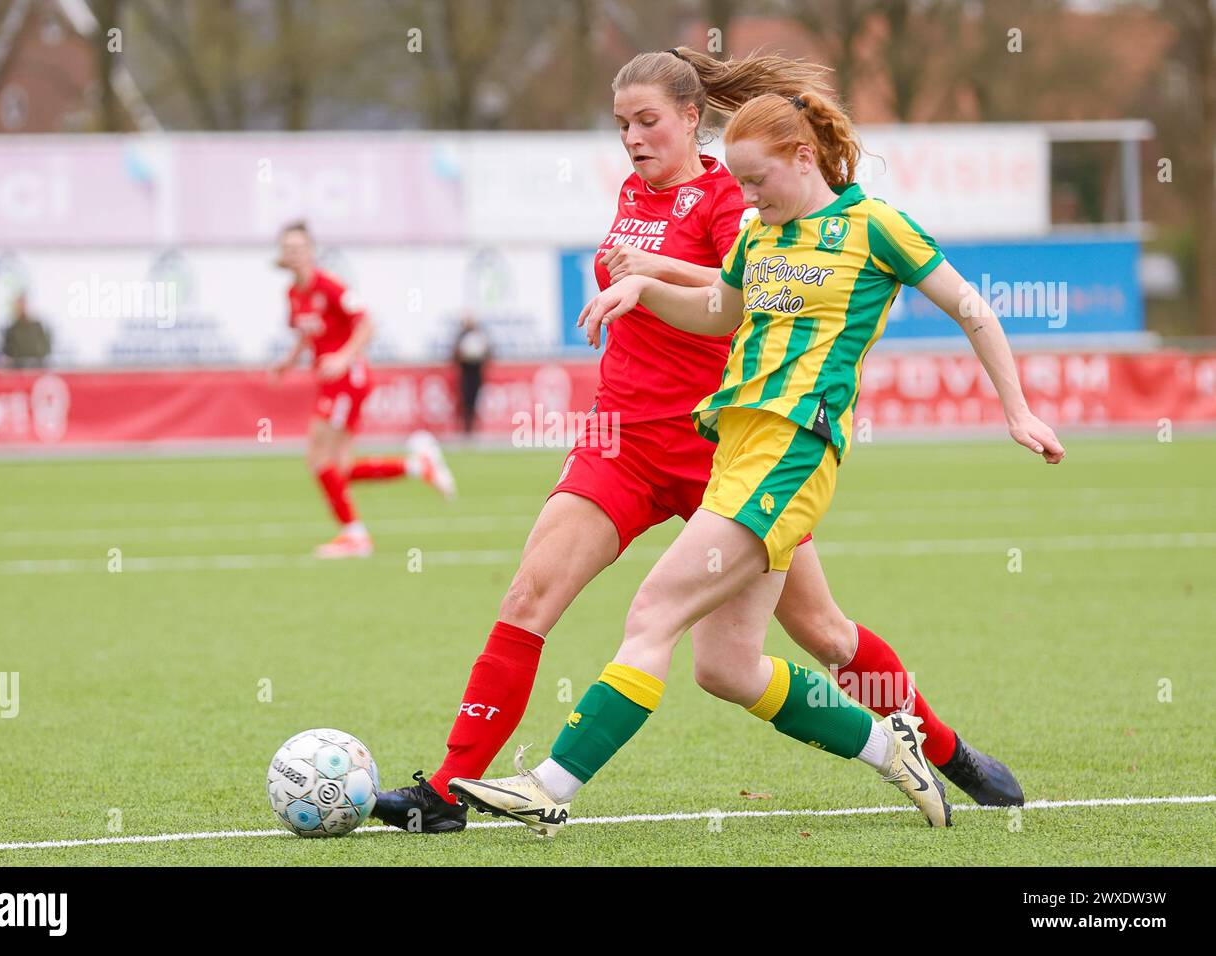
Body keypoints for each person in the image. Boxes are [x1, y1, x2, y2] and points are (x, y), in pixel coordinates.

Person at [374, 49, 1027, 834]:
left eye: (648, 121)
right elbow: (719, 293)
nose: (633, 139)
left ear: (693, 120)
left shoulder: (740, 202)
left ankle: (938, 746)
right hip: (623, 440)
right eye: (622, 125)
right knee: (530, 595)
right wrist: (642, 280)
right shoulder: (635, 193)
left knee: (814, 635)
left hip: (728, 447)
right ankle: (449, 790)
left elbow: (736, 297)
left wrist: (646, 269)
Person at [270, 221, 455, 558]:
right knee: (339, 468)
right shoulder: (294, 294)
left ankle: (354, 535)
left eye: (298, 248)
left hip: (347, 380)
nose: (293, 254)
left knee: (316, 455)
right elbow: (308, 333)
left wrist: (343, 357)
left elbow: (368, 323)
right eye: (287, 249)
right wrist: (289, 360)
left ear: (311, 251)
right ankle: (418, 465)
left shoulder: (330, 286)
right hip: (333, 381)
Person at [452, 315, 492, 436]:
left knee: (476, 399)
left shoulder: (479, 337)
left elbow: (488, 353)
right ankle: (466, 426)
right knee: (466, 399)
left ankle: (473, 425)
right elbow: (455, 355)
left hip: (476, 371)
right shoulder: (462, 337)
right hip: (466, 372)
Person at [1, 294, 51, 369]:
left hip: (36, 365)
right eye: (19, 305)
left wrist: (40, 354)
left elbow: (45, 345)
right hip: (18, 367)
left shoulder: (36, 326)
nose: (21, 307)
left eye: (23, 304)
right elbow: (7, 350)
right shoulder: (11, 329)